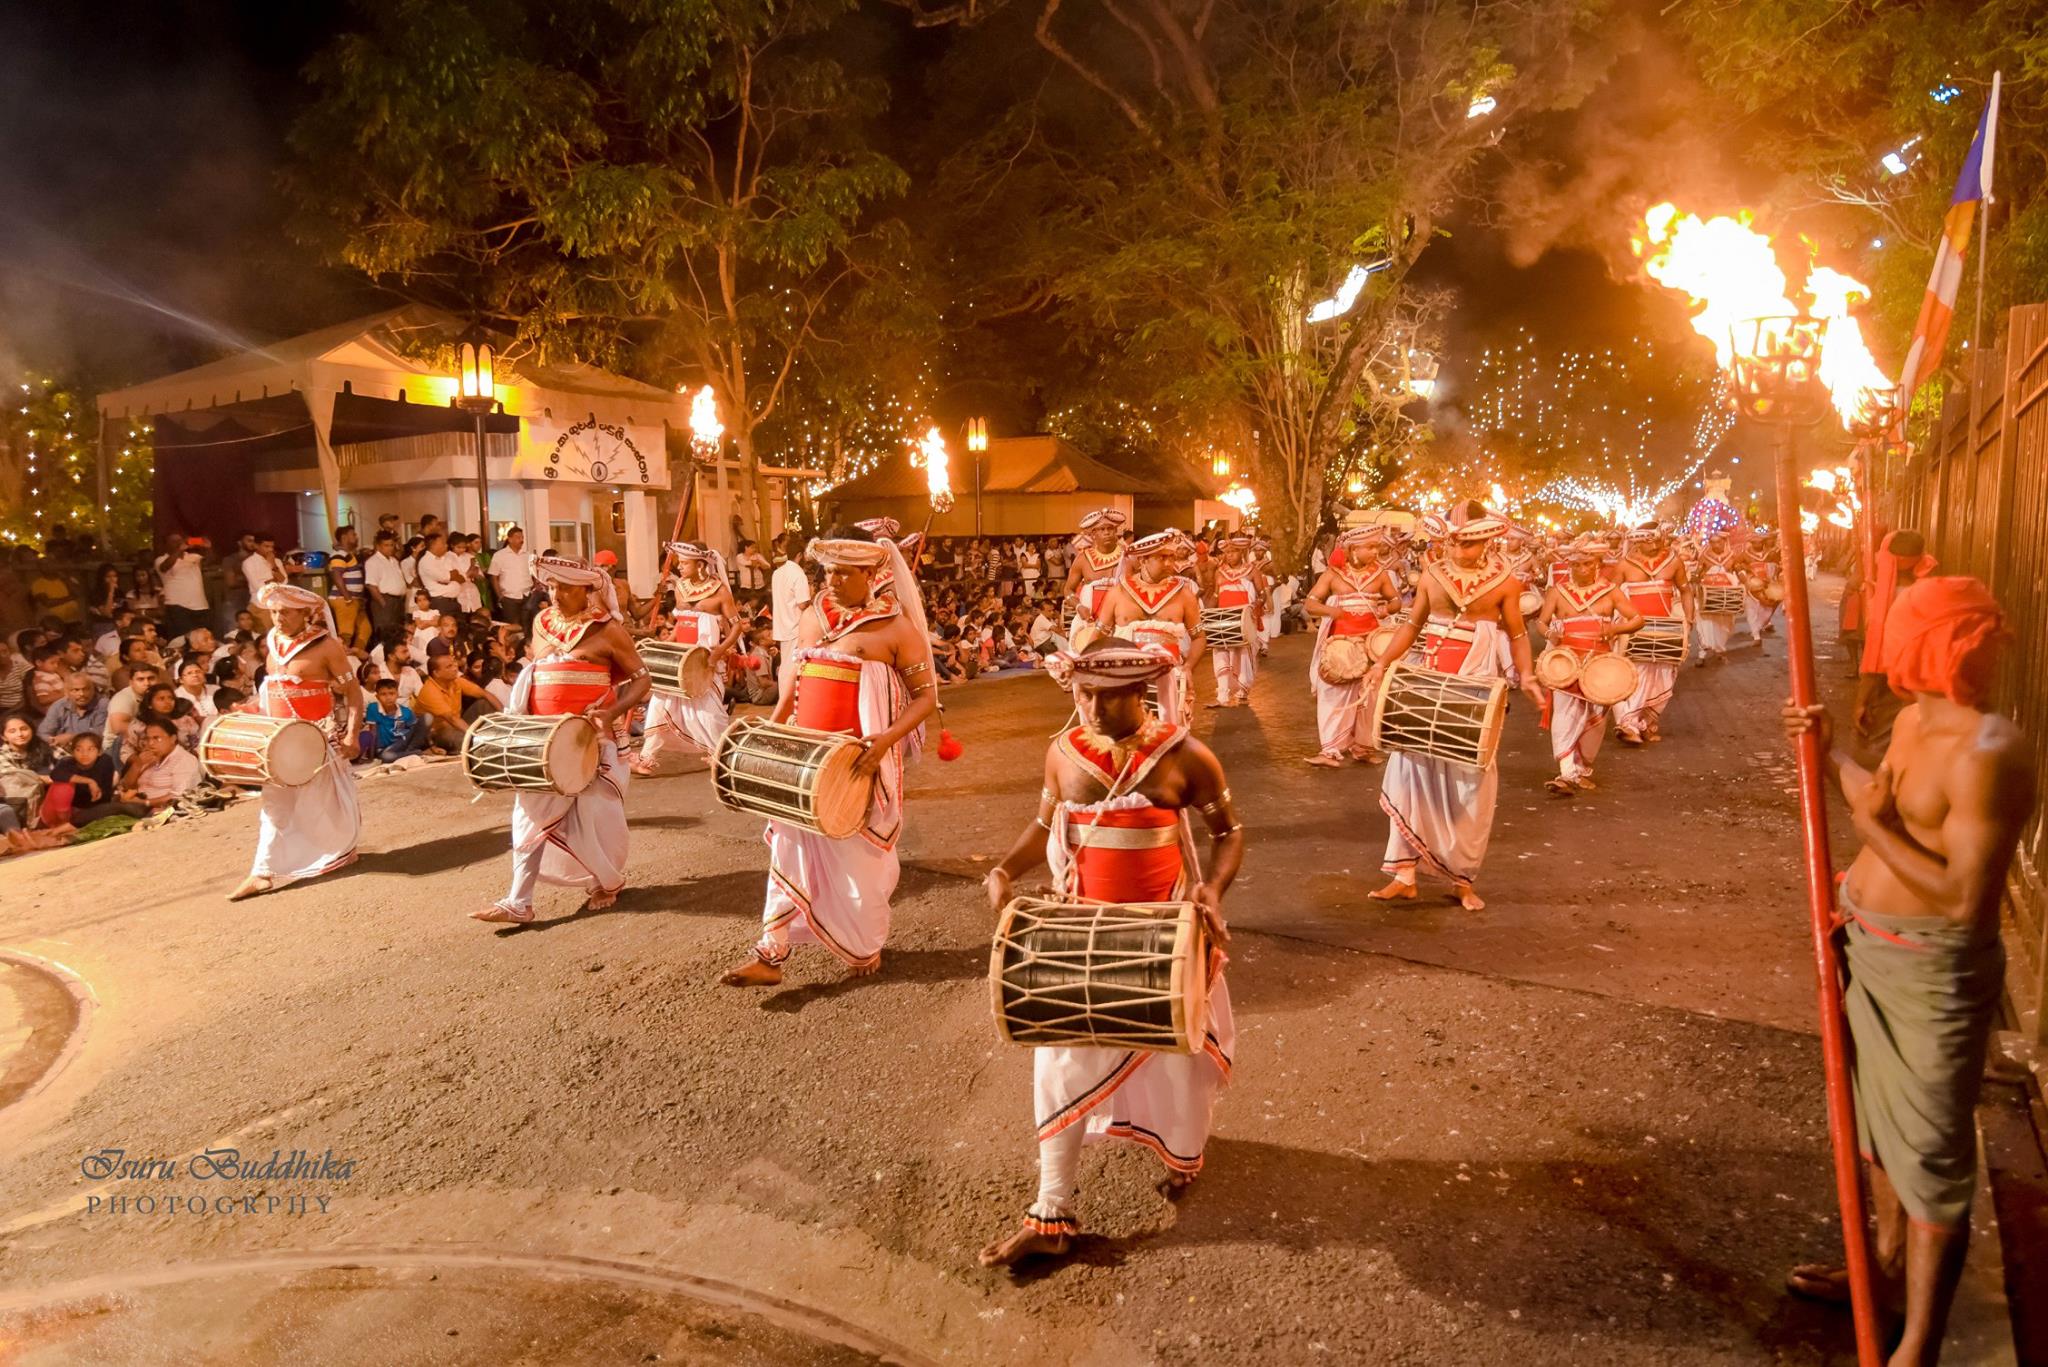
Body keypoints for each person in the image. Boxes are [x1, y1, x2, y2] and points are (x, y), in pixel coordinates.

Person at [1781, 576, 2035, 1366]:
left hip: (1932, 975)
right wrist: (1830, 764)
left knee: (1928, 1156)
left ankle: (1917, 1342)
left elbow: (1963, 899)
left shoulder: (1991, 751)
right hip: (1870, 947)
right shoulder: (1917, 722)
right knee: (1876, 1135)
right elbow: (1886, 808)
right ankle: (1879, 1267)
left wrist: (1864, 827)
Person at [977, 640, 1240, 1267]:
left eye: (1107, 695)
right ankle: (1051, 1213)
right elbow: (1044, 825)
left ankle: (1181, 1154)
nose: (1090, 705)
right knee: (1058, 1064)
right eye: (1083, 691)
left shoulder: (1187, 756)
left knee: (1177, 1059)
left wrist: (1213, 888)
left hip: (1162, 938)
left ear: (1142, 692)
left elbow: (1228, 833)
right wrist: (1003, 870)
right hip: (1077, 937)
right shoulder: (1062, 753)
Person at [720, 527, 938, 985]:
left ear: (871, 573)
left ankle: (862, 947)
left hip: (858, 763)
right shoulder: (811, 617)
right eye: (829, 571)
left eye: (844, 573)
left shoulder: (897, 630)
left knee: (860, 859)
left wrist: (883, 743)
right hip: (804, 759)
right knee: (788, 845)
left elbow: (924, 698)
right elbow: (793, 680)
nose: (832, 581)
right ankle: (771, 952)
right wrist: (775, 729)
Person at [1363, 503, 1541, 912]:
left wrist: (1527, 675)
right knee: (1411, 772)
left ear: (1487, 540)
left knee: (1471, 782)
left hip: (1474, 685)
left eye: (1473, 543)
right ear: (1446, 540)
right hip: (1427, 679)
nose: (1464, 551)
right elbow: (1411, 626)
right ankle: (1404, 874)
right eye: (1458, 542)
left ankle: (1462, 880)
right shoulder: (1431, 575)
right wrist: (1381, 663)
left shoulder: (1505, 582)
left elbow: (1516, 634)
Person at [473, 554, 650, 924]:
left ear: (587, 589)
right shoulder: (541, 622)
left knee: (594, 816)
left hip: (591, 742)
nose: (556, 594)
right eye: (551, 586)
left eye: (566, 587)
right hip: (543, 739)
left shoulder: (609, 631)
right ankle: (519, 901)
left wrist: (611, 714)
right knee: (527, 815)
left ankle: (607, 882)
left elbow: (642, 680)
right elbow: (537, 670)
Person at [227, 583, 365, 901]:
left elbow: (353, 691)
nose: (278, 618)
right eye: (274, 612)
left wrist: (352, 734)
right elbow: (270, 690)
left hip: (315, 737)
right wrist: (251, 710)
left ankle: (340, 849)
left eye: (286, 612)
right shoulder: (271, 641)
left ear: (305, 613)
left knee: (321, 803)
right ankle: (262, 872)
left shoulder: (327, 646)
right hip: (279, 740)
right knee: (274, 805)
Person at [1536, 537, 1643, 797]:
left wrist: (1615, 628)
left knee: (1595, 719)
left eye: (1587, 564)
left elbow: (1637, 618)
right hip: (1566, 665)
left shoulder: (1610, 591)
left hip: (1600, 666)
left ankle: (1580, 768)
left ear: (1597, 565)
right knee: (1564, 716)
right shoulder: (1558, 592)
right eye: (1576, 565)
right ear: (1569, 566)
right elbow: (1541, 622)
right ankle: (1566, 772)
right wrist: (1550, 634)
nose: (1581, 569)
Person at [635, 542, 742, 775]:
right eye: (679, 562)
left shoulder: (720, 590)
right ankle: (646, 757)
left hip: (704, 659)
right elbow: (679, 625)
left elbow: (736, 627)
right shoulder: (680, 587)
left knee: (708, 711)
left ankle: (721, 753)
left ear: (701, 564)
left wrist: (719, 651)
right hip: (679, 659)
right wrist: (664, 645)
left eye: (684, 563)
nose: (680, 567)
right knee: (659, 704)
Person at [1302, 526, 1402, 767]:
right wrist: (1331, 611)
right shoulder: (1333, 574)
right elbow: (1310, 604)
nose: (1375, 551)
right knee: (1332, 695)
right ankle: (1330, 750)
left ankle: (1363, 747)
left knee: (1370, 697)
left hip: (1371, 646)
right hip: (1340, 646)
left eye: (1377, 546)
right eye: (1370, 547)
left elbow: (1396, 601)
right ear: (1353, 549)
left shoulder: (1380, 574)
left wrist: (1386, 609)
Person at [1092, 530, 1206, 727]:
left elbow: (1199, 637)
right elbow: (1099, 634)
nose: (1170, 564)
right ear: (1143, 560)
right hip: (1125, 680)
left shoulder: (1184, 594)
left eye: (1171, 557)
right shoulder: (1117, 593)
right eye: (1162, 558)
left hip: (1168, 678)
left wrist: (1188, 667)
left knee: (1168, 740)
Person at [1855, 530, 1937, 750]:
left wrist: (1862, 700)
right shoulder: (1931, 588)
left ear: (1894, 561)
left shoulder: (1896, 602)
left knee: (1883, 753)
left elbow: (1878, 654)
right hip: (1928, 689)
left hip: (1895, 687)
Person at [1610, 521, 1690, 746]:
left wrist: (1689, 620)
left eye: (1658, 540)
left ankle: (1645, 723)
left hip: (1665, 629)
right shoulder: (1624, 565)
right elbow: (1609, 594)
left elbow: (1686, 590)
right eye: (1650, 541)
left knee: (1664, 675)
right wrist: (1610, 624)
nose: (1656, 545)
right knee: (1635, 674)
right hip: (1632, 629)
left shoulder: (1673, 561)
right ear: (1638, 541)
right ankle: (1628, 723)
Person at [1202, 533, 1266, 709]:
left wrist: (1255, 607)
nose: (1229, 555)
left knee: (1243, 655)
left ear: (1242, 552)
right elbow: (1216, 596)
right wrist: (1207, 615)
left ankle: (1243, 690)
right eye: (1227, 552)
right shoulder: (1219, 572)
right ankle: (1222, 695)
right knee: (1221, 652)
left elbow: (1261, 593)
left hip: (1244, 619)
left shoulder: (1252, 570)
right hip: (1224, 619)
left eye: (1233, 552)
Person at [117, 716, 202, 812]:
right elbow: (126, 786)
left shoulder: (184, 760)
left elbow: (178, 796)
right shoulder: (149, 757)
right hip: (134, 803)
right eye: (148, 739)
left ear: (172, 739)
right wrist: (137, 765)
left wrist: (144, 802)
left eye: (157, 738)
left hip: (160, 810)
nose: (151, 743)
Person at [415, 652, 496, 751]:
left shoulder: (456, 681)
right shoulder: (429, 691)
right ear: (436, 673)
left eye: (454, 664)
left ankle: (497, 736)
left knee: (484, 703)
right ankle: (485, 746)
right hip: (437, 734)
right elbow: (451, 718)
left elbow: (485, 694)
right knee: (465, 742)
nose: (455, 668)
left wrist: (507, 717)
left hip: (456, 725)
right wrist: (475, 736)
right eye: (449, 666)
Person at [1063, 509, 1127, 633]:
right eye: (1102, 529)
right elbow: (1067, 589)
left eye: (1110, 529)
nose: (1107, 533)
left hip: (1120, 622)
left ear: (1116, 532)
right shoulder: (1082, 559)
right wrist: (1079, 606)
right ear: (1093, 534)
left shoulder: (1128, 556)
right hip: (1089, 623)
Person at [1691, 526, 1745, 667]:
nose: (1716, 545)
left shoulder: (1732, 556)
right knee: (1705, 625)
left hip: (1727, 597)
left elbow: (1739, 570)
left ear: (1724, 542)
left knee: (1724, 625)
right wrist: (1693, 584)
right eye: (1713, 542)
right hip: (1708, 597)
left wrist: (1746, 580)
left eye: (1718, 542)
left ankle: (1720, 650)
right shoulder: (1704, 556)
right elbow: (1697, 574)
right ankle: (1702, 654)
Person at [769, 530, 813, 702]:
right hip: (795, 625)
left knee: (786, 665)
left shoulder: (777, 572)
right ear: (800, 555)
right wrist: (811, 595)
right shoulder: (798, 573)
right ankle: (788, 702)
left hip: (782, 623)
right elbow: (802, 604)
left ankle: (785, 701)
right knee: (792, 667)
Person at [0, 714, 53, 832]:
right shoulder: (2, 755)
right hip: (21, 804)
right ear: (4, 737)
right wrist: (43, 778)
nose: (20, 734)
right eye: (12, 731)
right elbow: (13, 775)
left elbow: (70, 763)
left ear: (32, 730)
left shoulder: (44, 746)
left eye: (24, 729)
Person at [364, 677, 430, 763]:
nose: (388, 697)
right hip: (385, 749)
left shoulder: (406, 711)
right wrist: (371, 757)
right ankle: (417, 753)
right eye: (383, 694)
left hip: (404, 743)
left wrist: (430, 745)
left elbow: (414, 733)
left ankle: (409, 752)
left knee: (427, 717)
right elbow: (373, 733)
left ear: (397, 694)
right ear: (377, 696)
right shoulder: (373, 708)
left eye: (392, 693)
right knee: (386, 757)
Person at [327, 525, 371, 650]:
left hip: (354, 599)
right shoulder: (338, 554)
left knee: (365, 629)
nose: (356, 537)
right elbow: (337, 576)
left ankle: (355, 656)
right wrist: (347, 597)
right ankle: (344, 661)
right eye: (353, 534)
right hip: (344, 599)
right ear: (344, 537)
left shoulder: (348, 554)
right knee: (346, 634)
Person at [363, 529, 409, 645]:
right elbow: (371, 585)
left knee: (397, 634)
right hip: (385, 600)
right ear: (378, 546)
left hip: (398, 602)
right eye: (386, 545)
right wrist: (383, 603)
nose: (390, 548)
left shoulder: (394, 560)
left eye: (392, 545)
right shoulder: (373, 562)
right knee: (384, 634)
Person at [37, 675, 108, 750]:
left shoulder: (102, 704)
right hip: (63, 752)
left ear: (93, 690)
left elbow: (99, 734)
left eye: (86, 689)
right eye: (76, 690)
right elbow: (42, 733)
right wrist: (53, 740)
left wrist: (72, 737)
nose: (82, 694)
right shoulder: (59, 706)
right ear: (66, 692)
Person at [489, 526, 536, 632]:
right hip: (509, 597)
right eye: (518, 537)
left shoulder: (527, 555)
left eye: (522, 537)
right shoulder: (499, 555)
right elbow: (494, 577)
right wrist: (500, 596)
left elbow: (533, 574)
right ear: (510, 539)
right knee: (512, 626)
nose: (521, 540)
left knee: (528, 626)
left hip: (527, 595)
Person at [242, 535, 286, 631]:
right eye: (266, 546)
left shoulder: (277, 561)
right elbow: (259, 586)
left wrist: (273, 564)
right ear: (257, 546)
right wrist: (275, 580)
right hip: (260, 606)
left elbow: (284, 582)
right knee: (263, 638)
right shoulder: (249, 563)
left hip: (278, 605)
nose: (270, 550)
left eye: (272, 547)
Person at [416, 531, 463, 619]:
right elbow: (445, 577)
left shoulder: (440, 559)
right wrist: (452, 575)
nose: (446, 545)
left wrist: (452, 575)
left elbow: (460, 575)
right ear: (433, 545)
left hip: (453, 601)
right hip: (440, 602)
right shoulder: (426, 561)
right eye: (443, 543)